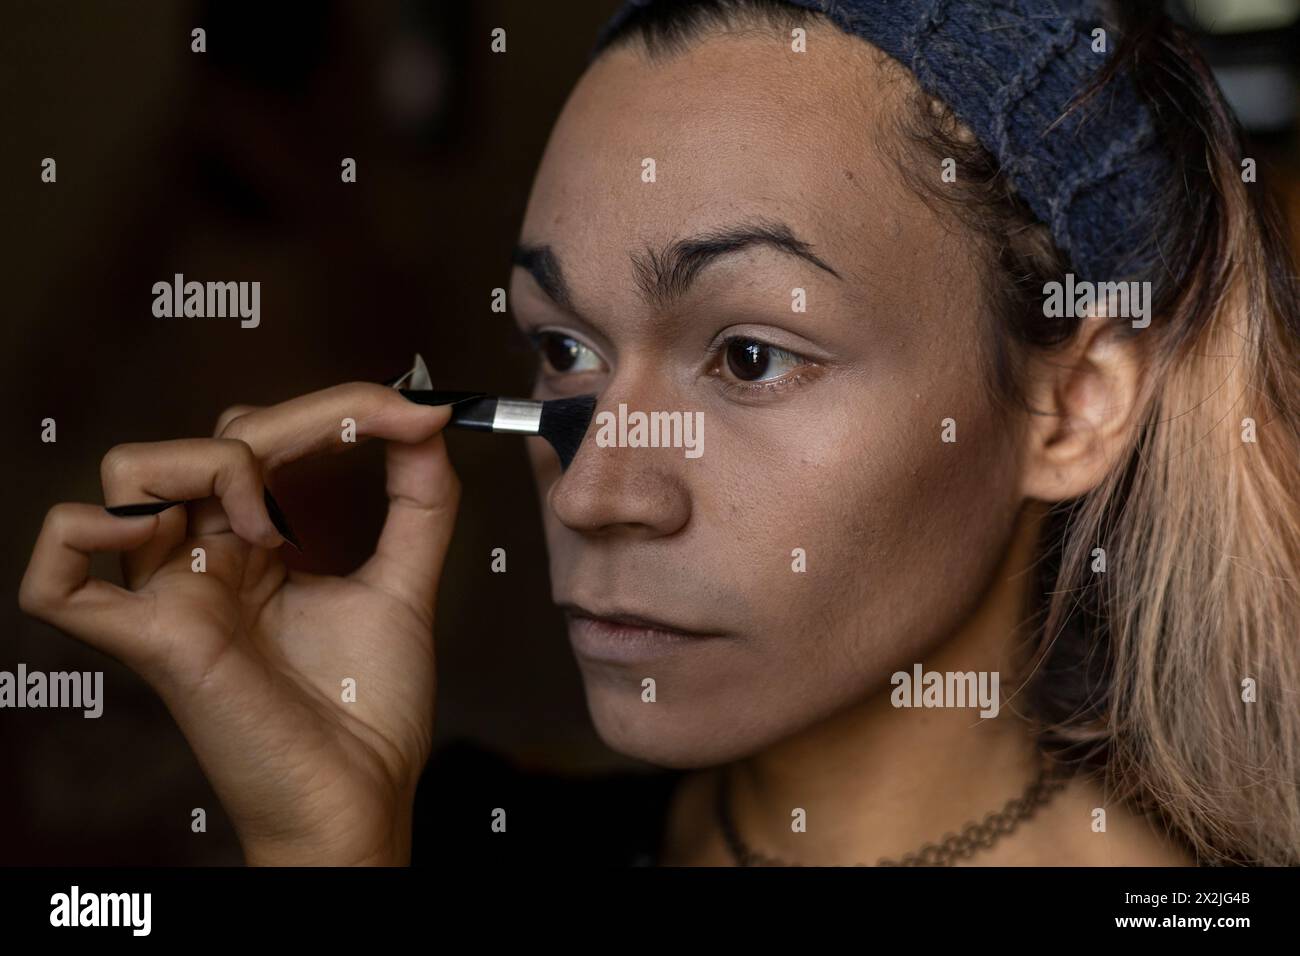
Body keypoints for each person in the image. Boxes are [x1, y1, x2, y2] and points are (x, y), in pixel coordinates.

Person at [19, 0, 1300, 866]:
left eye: (749, 355)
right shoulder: (436, 830)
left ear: (1070, 408)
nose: (593, 493)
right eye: (563, 349)